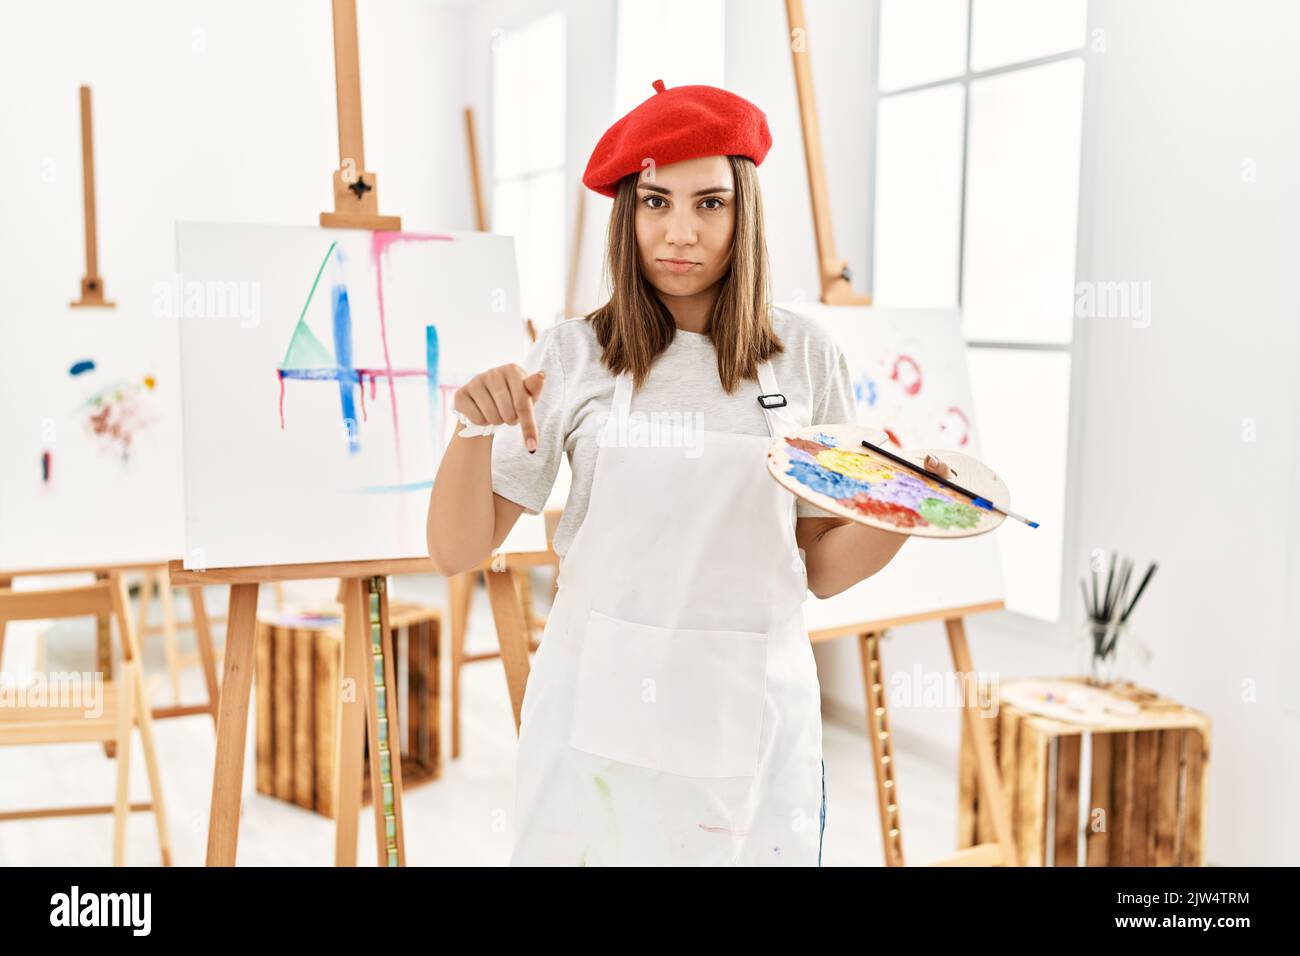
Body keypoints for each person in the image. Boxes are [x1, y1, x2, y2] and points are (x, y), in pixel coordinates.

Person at [426, 79, 949, 866]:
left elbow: (822, 571)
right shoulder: (573, 355)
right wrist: (471, 429)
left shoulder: (805, 355)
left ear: (745, 213)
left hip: (754, 712)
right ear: (626, 213)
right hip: (595, 713)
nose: (680, 232)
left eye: (709, 203)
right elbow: (456, 551)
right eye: (654, 202)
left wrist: (903, 514)